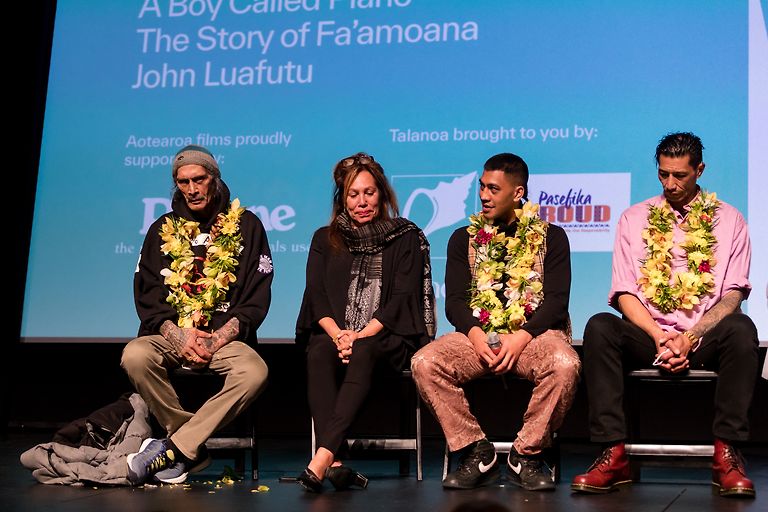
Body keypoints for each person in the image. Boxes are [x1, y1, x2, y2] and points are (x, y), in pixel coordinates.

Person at [571, 132, 759, 498]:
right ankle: (613, 454)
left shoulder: (730, 219)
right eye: (663, 174)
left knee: (741, 328)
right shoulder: (634, 218)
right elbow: (624, 292)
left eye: (680, 175)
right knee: (599, 327)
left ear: (699, 170)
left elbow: (733, 295)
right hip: (648, 336)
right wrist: (659, 336)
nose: (670, 184)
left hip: (704, 338)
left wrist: (689, 338)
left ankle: (727, 456)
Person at [411, 152, 580, 491]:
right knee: (425, 362)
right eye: (482, 187)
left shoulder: (551, 237)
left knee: (565, 365)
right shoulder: (463, 238)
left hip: (534, 337)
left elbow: (556, 303)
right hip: (478, 338)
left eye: (493, 189)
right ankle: (476, 452)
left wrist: (521, 337)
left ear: (518, 193)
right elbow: (455, 302)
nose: (484, 196)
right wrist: (475, 335)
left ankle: (526, 454)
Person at [121, 145, 272, 485]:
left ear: (214, 179)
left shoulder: (247, 225)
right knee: (135, 355)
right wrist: (179, 337)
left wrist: (214, 341)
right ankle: (191, 444)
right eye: (183, 182)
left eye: (199, 179)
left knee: (255, 372)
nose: (192, 189)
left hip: (224, 340)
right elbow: (147, 297)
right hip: (173, 336)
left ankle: (176, 447)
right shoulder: (162, 228)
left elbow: (255, 300)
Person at [295, 152, 435, 492]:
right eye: (353, 195)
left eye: (369, 193)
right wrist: (338, 335)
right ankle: (334, 464)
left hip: (386, 336)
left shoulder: (405, 237)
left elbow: (402, 298)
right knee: (318, 351)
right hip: (336, 335)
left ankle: (322, 455)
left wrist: (359, 336)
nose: (361, 202)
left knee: (365, 349)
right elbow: (316, 295)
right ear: (342, 199)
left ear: (382, 194)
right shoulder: (323, 239)